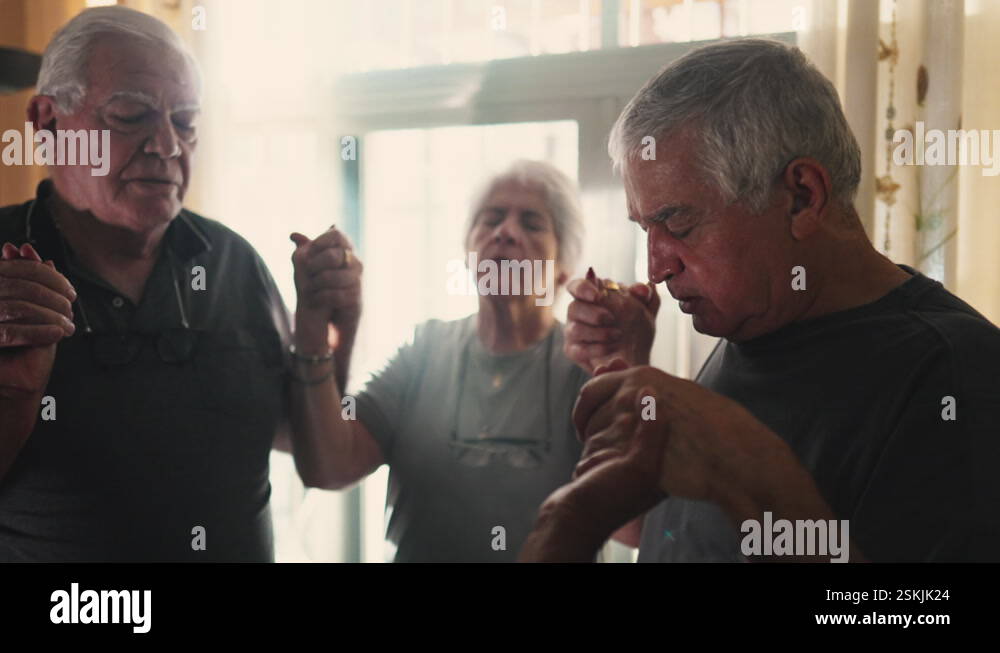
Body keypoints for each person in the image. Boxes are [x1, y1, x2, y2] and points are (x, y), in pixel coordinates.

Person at [520, 39, 1000, 563]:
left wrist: (759, 477)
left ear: (801, 196)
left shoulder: (954, 375)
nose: (656, 269)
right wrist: (626, 366)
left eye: (677, 223)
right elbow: (668, 535)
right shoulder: (754, 325)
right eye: (645, 229)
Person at [0, 7, 361, 561]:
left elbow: (303, 447)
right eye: (131, 115)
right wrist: (16, 396)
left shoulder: (232, 262)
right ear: (48, 124)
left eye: (186, 121)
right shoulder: (8, 264)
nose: (167, 145)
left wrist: (322, 331)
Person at [300, 160, 589, 562]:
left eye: (531, 223)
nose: (505, 233)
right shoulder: (424, 351)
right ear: (468, 253)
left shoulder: (585, 367)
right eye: (490, 219)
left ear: (562, 269)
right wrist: (319, 322)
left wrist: (629, 363)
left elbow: (635, 527)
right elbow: (329, 467)